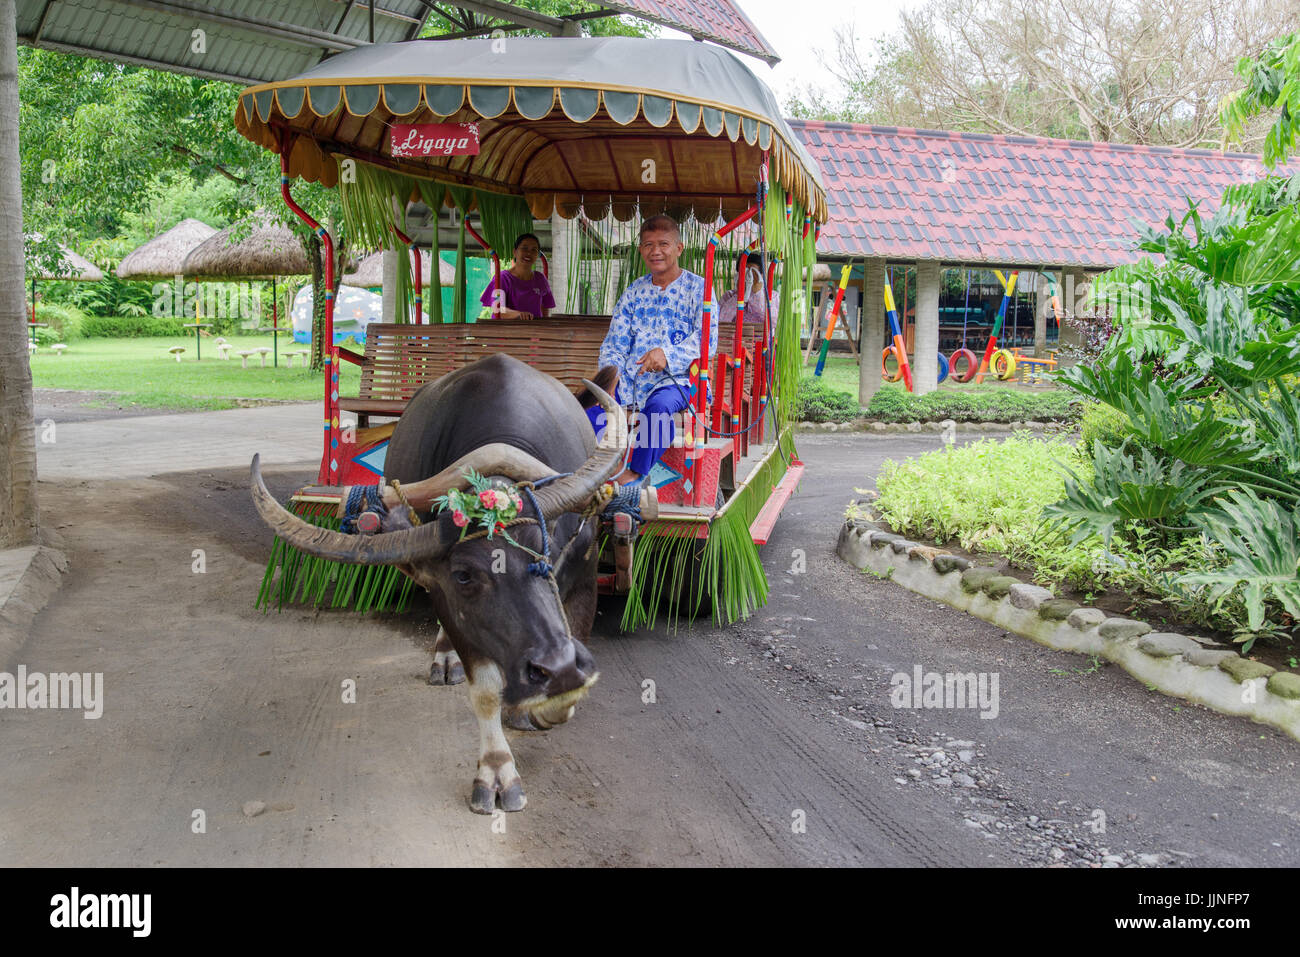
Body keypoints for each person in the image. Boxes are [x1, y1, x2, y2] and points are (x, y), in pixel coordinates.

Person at [597, 214, 716, 487]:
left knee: (658, 409)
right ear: (641, 250)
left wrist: (667, 355)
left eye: (663, 244)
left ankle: (634, 474)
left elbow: (706, 340)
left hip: (679, 381)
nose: (656, 251)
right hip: (630, 380)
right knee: (594, 405)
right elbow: (615, 343)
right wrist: (610, 377)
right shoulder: (633, 292)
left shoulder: (699, 290)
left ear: (679, 248)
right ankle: (596, 472)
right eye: (649, 245)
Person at [479, 232, 556, 320]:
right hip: (506, 328)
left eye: (534, 250)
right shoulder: (502, 278)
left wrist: (544, 324)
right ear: (515, 252)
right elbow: (497, 309)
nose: (529, 253)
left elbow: (545, 306)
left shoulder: (540, 279)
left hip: (533, 328)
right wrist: (518, 314)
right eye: (524, 248)